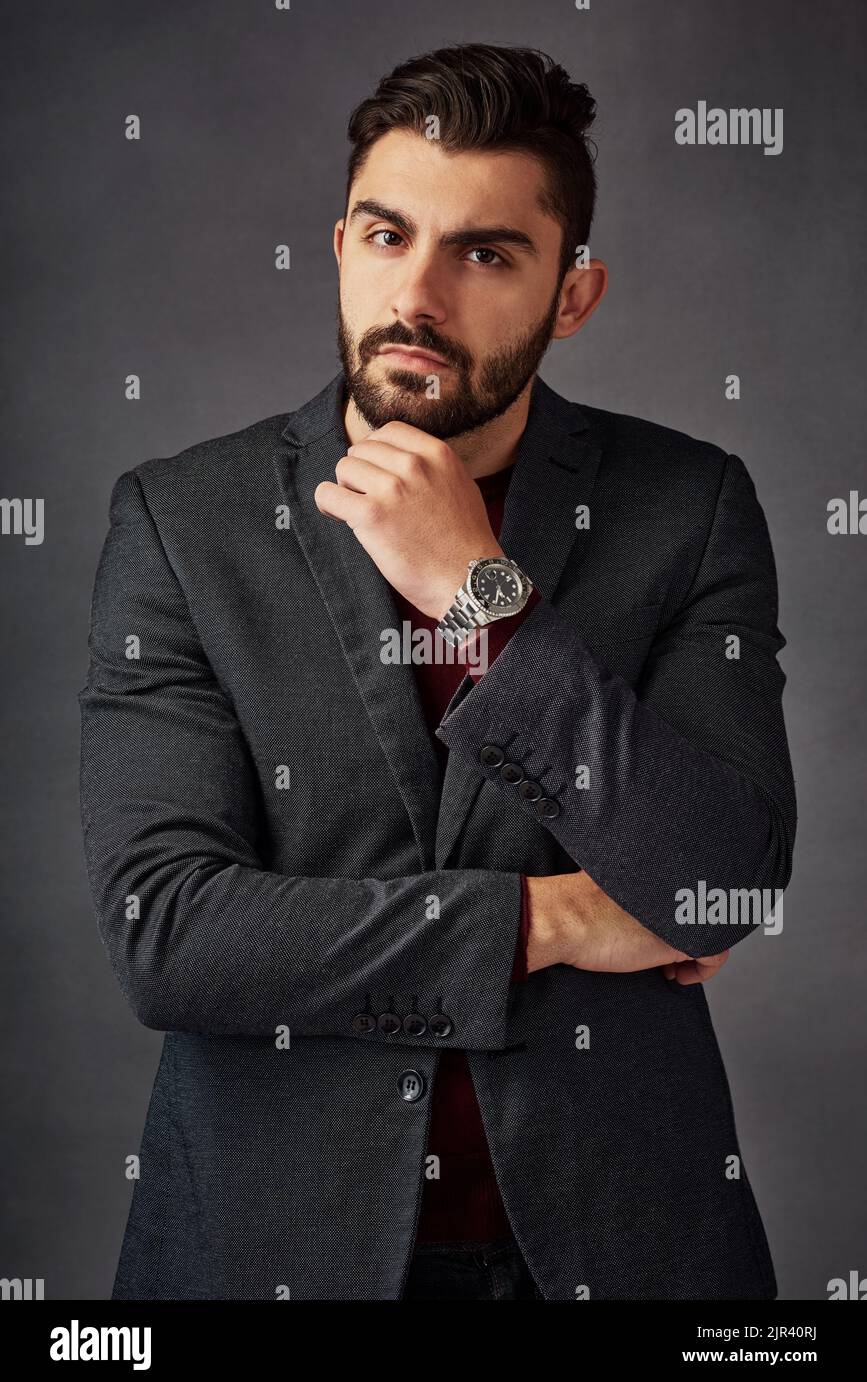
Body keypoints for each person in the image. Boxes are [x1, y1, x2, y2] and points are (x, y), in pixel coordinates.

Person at [78, 43, 795, 1300]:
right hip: (271, 1245)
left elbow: (722, 886)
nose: (419, 293)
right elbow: (173, 934)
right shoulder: (184, 523)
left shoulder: (688, 506)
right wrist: (554, 916)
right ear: (341, 244)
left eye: (487, 253)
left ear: (573, 296)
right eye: (386, 234)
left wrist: (482, 598)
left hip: (623, 1246)